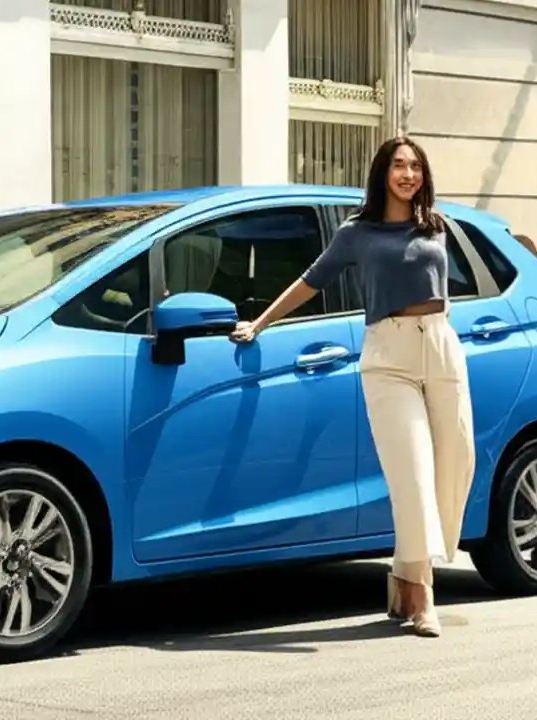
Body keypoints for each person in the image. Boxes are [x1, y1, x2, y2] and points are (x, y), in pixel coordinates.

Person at [230, 136, 474, 638]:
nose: (409, 175)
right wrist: (261, 323)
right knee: (413, 475)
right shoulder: (356, 233)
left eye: (416, 167)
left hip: (443, 348)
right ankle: (424, 595)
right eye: (399, 165)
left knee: (456, 462)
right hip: (389, 357)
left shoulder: (436, 226)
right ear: (383, 172)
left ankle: (404, 575)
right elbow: (310, 281)